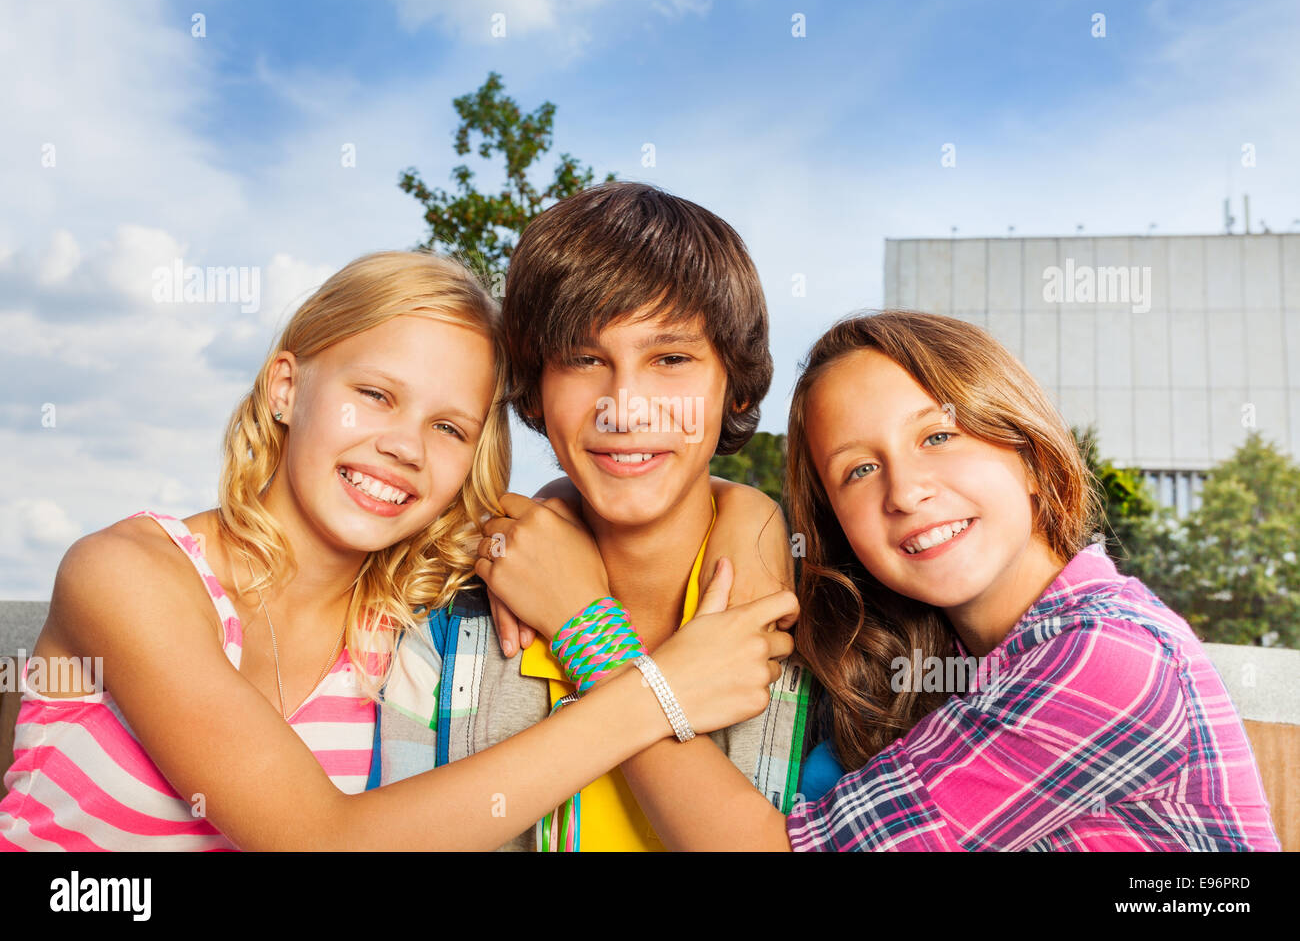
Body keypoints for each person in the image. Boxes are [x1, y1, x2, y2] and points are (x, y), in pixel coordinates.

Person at [0, 250, 794, 851]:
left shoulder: (412, 609)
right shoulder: (128, 574)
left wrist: (754, 517)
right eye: (374, 395)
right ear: (285, 387)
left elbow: (586, 517)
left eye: (448, 427)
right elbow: (317, 840)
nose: (404, 448)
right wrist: (652, 685)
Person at [488, 310, 1282, 851]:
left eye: (939, 435)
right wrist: (562, 503)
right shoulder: (950, 663)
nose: (904, 491)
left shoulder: (1108, 656)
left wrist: (587, 626)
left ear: (1034, 459)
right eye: (859, 469)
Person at [373, 182, 813, 851]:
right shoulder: (446, 634)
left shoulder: (831, 646)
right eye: (584, 360)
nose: (625, 407)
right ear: (536, 392)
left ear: (735, 386)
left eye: (670, 358)